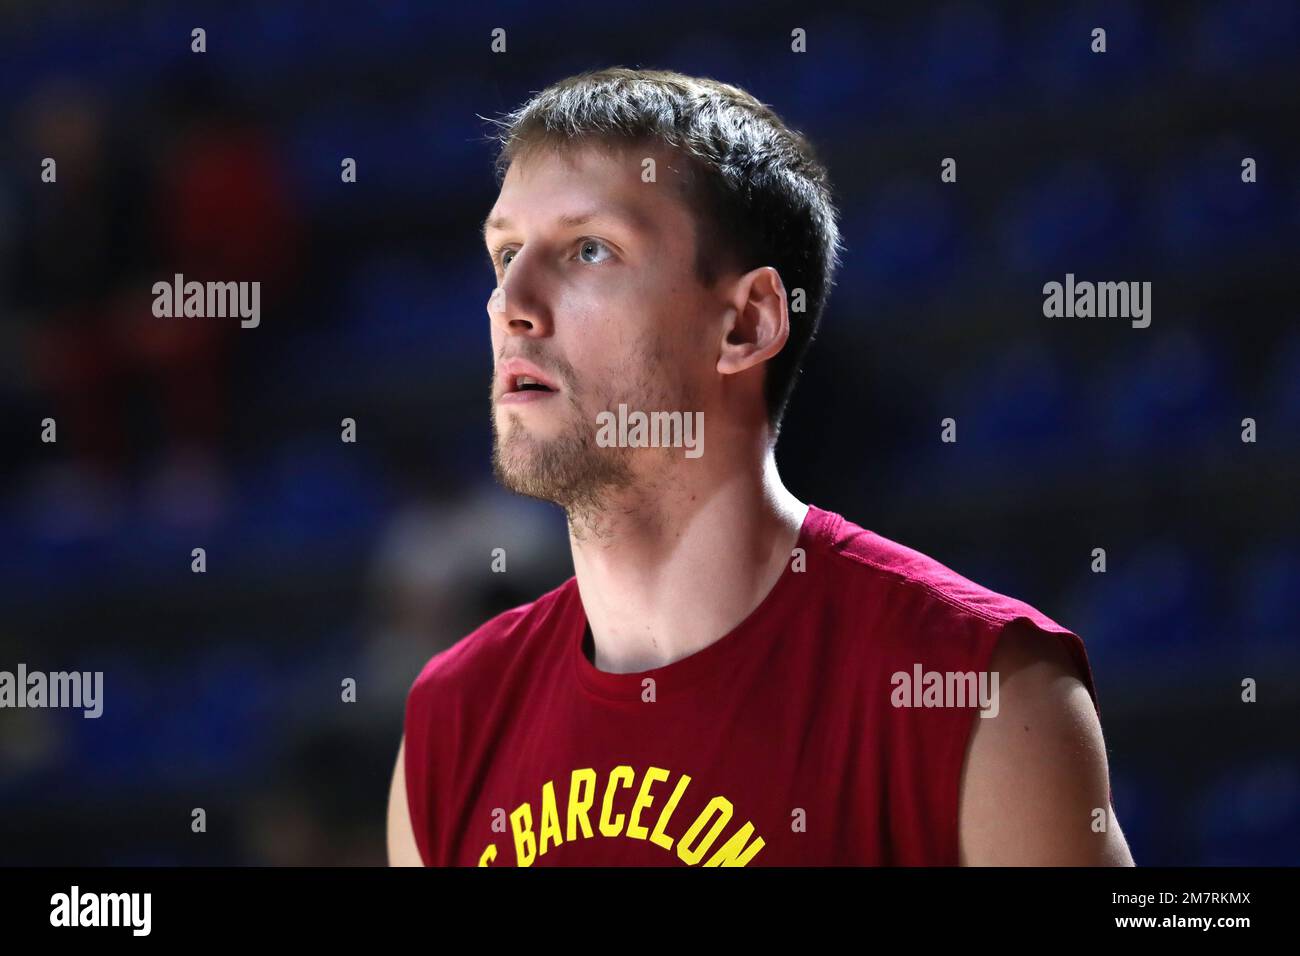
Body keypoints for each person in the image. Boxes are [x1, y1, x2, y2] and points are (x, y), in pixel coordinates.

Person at [388, 67, 1133, 866]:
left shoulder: (979, 693)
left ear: (745, 322)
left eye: (590, 250)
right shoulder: (450, 722)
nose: (511, 302)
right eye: (505, 253)